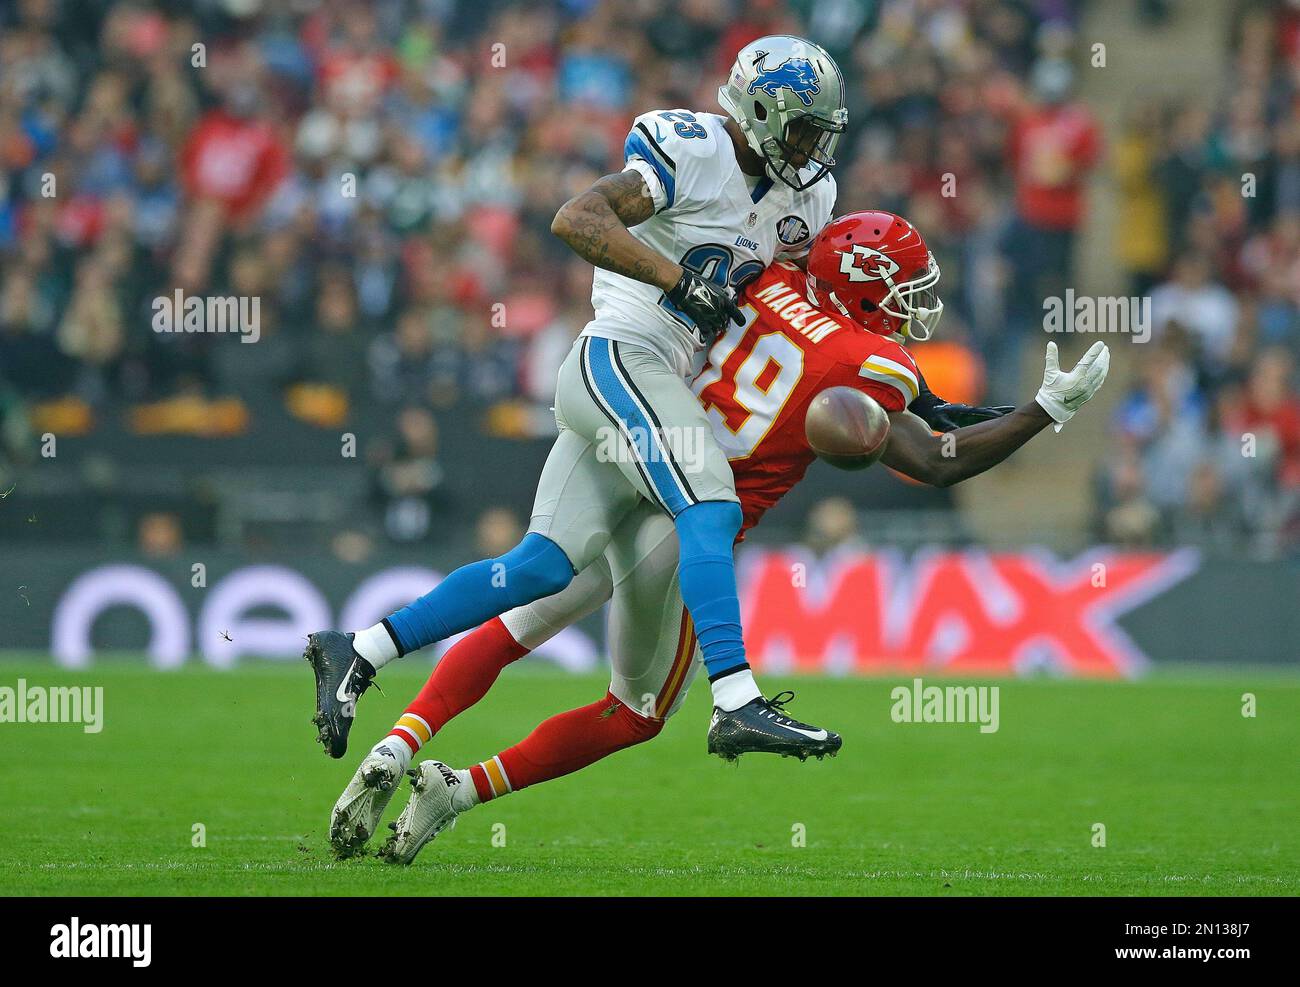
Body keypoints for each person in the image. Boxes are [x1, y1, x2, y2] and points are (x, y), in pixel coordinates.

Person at [324, 211, 1111, 862]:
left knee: (520, 609)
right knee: (636, 711)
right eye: (906, 291)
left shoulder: (767, 278)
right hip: (683, 523)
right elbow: (938, 458)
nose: (913, 308)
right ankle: (461, 788)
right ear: (867, 287)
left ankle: (397, 737)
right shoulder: (871, 359)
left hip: (635, 447)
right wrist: (1043, 411)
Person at [305, 36, 855, 765]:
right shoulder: (693, 148)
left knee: (542, 566)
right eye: (804, 129)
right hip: (621, 355)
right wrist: (676, 279)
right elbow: (577, 217)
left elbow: (800, 307)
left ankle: (361, 647)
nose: (814, 148)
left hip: (653, 385)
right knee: (711, 501)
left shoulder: (806, 198)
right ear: (760, 112)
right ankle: (735, 699)